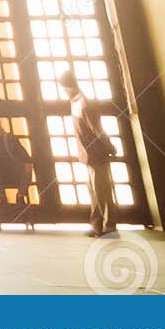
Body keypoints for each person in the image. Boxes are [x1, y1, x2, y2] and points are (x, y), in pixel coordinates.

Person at [60, 69, 117, 237]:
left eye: (64, 88)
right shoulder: (78, 102)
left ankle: (109, 226)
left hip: (96, 154)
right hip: (90, 155)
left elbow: (97, 130)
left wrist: (109, 146)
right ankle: (98, 226)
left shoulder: (83, 104)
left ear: (70, 86)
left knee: (101, 191)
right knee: (95, 191)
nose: (64, 91)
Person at [0, 116, 32, 222]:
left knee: (27, 168)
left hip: (12, 170)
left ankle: (21, 196)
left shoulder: (10, 138)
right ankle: (2, 197)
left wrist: (27, 162)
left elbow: (23, 153)